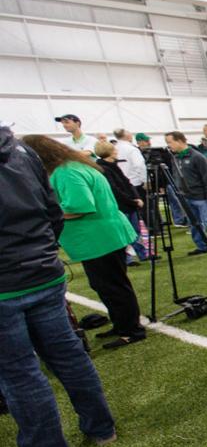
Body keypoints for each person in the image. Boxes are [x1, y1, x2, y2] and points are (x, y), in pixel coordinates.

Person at [0, 126, 118, 447]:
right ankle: (101, 428)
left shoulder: (27, 154)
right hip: (43, 271)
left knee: (20, 374)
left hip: (7, 284)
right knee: (67, 354)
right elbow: (52, 211)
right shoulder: (23, 153)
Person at [23, 135, 145, 349]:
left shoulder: (67, 171)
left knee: (113, 286)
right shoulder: (71, 167)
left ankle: (131, 329)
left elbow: (80, 206)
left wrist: (46, 213)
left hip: (99, 237)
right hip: (99, 237)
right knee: (105, 285)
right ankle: (122, 324)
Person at [164, 131, 207, 255]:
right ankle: (201, 246)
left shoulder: (197, 157)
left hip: (201, 197)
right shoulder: (175, 157)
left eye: (170, 142)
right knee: (193, 224)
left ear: (180, 141)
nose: (168, 145)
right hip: (185, 197)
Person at [93, 140, 145, 265]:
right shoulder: (104, 169)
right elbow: (115, 190)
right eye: (114, 149)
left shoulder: (113, 166)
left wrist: (135, 198)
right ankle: (128, 259)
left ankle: (144, 254)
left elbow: (126, 183)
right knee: (124, 233)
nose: (116, 151)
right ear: (109, 152)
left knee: (136, 231)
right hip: (121, 206)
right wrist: (132, 201)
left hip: (129, 204)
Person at [113, 129, 150, 261]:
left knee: (126, 223)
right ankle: (142, 251)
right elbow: (139, 165)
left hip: (123, 189)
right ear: (128, 135)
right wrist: (145, 181)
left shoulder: (116, 148)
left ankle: (132, 253)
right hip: (133, 187)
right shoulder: (131, 149)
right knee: (136, 222)